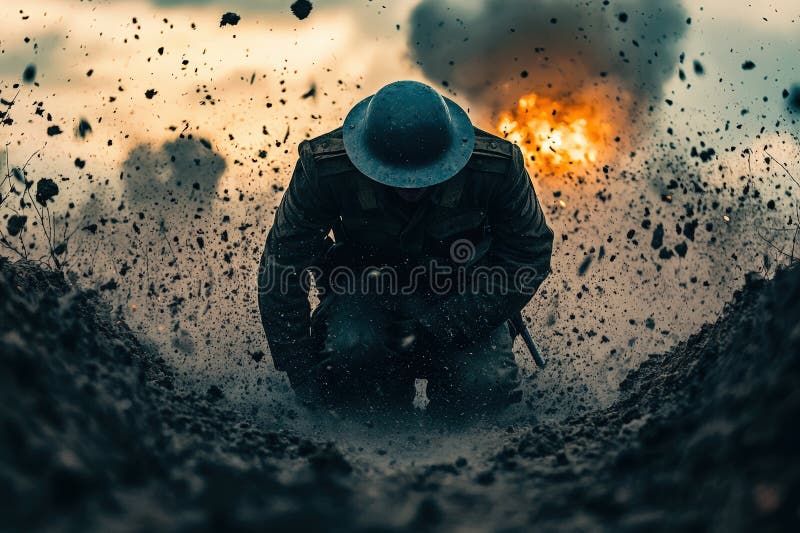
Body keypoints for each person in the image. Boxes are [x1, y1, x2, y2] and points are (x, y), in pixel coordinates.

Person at [258, 80, 553, 418]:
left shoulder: (495, 168)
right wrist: (302, 374)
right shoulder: (325, 169)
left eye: (426, 177)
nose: (410, 188)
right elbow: (282, 266)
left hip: (464, 299)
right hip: (362, 295)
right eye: (394, 177)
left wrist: (445, 323)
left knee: (484, 386)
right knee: (351, 358)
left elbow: (529, 254)